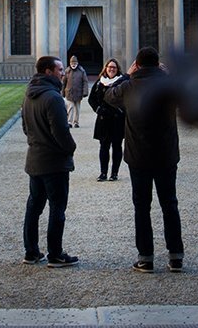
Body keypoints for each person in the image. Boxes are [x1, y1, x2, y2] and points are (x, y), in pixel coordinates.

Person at [104, 46, 184, 273]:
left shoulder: (129, 86)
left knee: (142, 207)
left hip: (138, 156)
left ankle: (146, 258)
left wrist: (127, 74)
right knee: (170, 204)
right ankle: (176, 256)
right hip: (166, 155)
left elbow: (108, 96)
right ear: (158, 64)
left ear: (137, 64)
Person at [20, 55, 80, 268]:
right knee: (57, 208)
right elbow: (61, 132)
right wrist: (71, 148)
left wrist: (37, 143)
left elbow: (25, 127)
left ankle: (31, 252)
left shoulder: (29, 95)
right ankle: (55, 254)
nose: (63, 73)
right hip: (54, 162)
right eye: (60, 70)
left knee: (34, 207)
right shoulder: (53, 97)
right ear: (48, 71)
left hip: (35, 159)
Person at [88, 58, 128, 182]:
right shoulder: (100, 82)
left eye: (114, 67)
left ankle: (114, 173)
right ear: (105, 68)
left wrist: (123, 111)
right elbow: (91, 99)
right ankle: (103, 173)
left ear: (117, 70)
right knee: (103, 147)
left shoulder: (122, 82)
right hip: (103, 119)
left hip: (118, 120)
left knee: (117, 147)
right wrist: (98, 109)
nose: (111, 69)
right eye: (109, 67)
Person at [61, 54, 89, 127]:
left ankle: (76, 122)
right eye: (72, 63)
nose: (73, 64)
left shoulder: (81, 71)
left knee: (77, 108)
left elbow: (85, 81)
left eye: (75, 63)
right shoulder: (67, 71)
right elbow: (64, 83)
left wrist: (85, 92)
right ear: (70, 63)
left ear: (77, 63)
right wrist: (62, 92)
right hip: (69, 92)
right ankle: (69, 122)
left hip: (78, 93)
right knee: (70, 107)